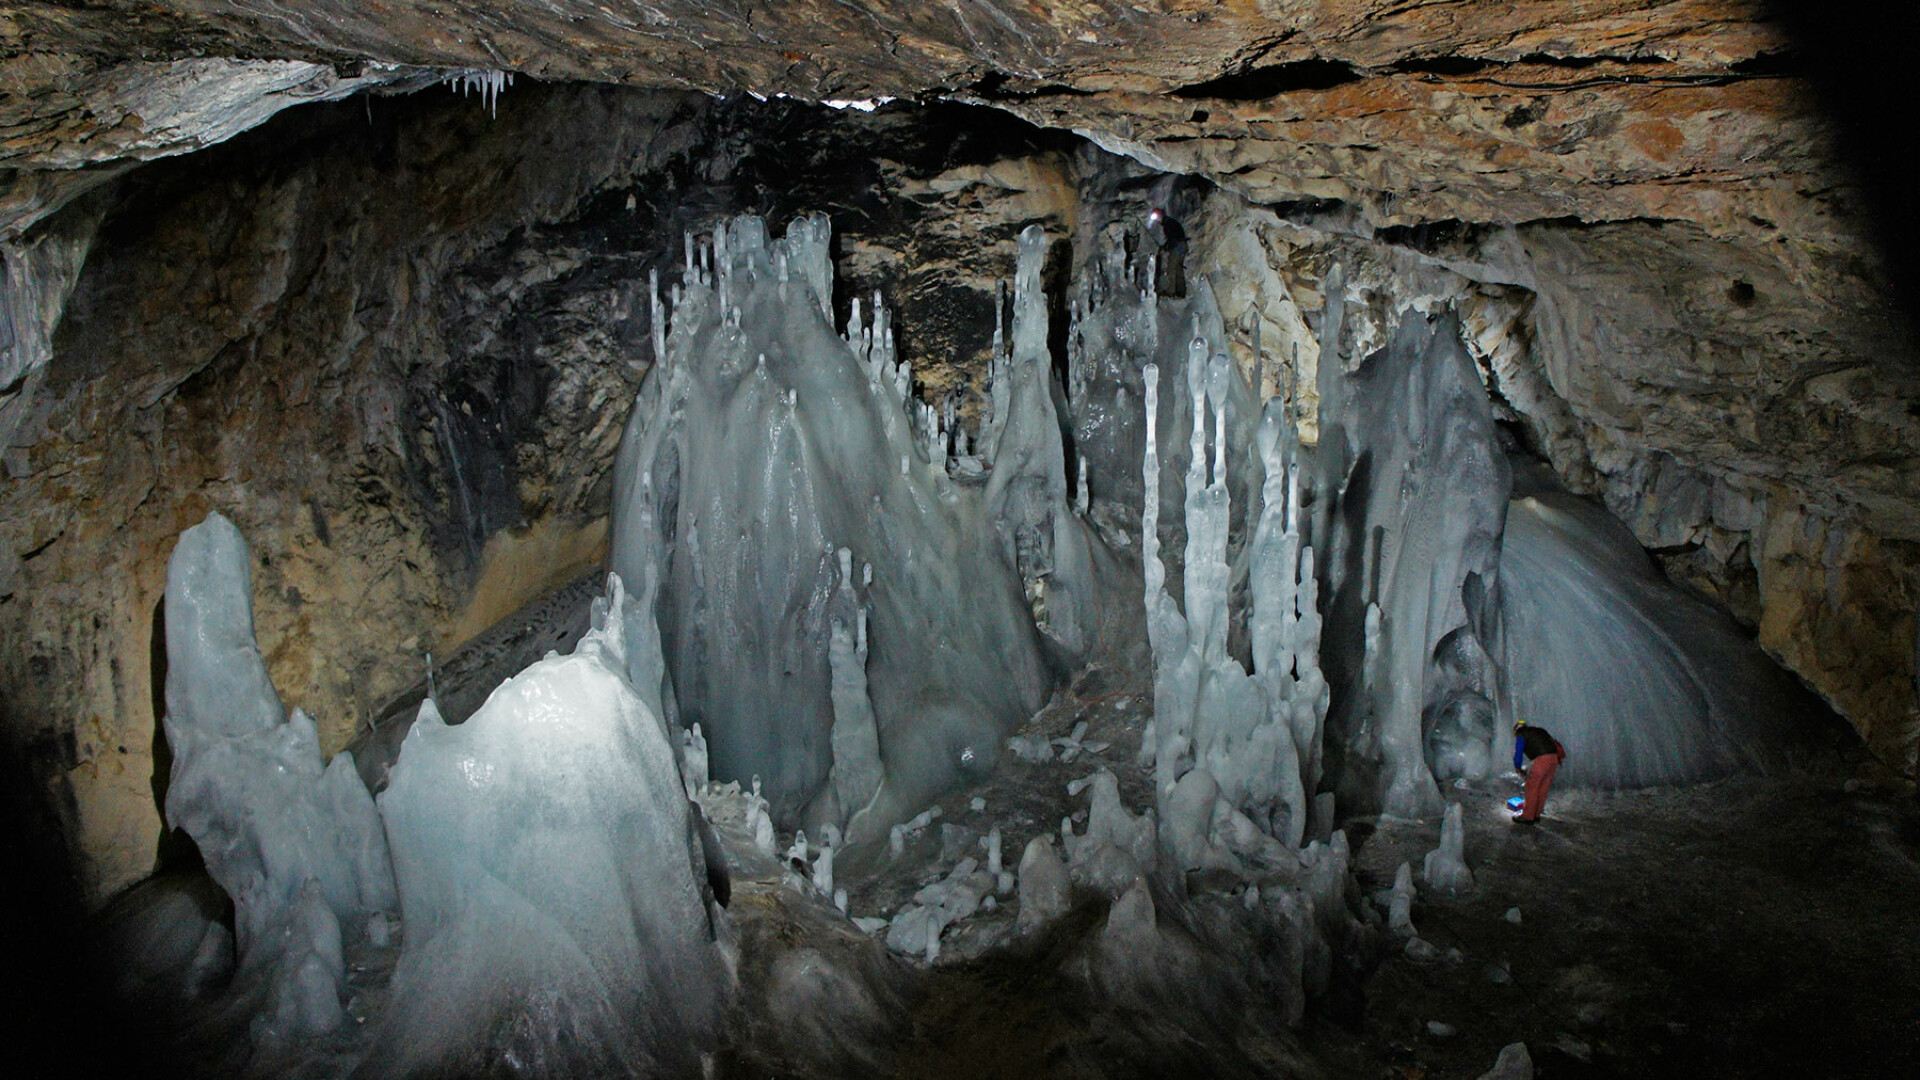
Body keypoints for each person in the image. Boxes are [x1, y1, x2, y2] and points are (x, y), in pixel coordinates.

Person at [1511, 721, 1566, 824]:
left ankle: (1527, 817)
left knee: (1532, 786)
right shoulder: (1540, 730)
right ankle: (1536, 814)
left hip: (1542, 759)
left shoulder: (1521, 734)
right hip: (1554, 758)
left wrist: (1517, 767)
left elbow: (1518, 754)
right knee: (1543, 786)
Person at [1146, 206, 1187, 297]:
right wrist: (1166, 246)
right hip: (1182, 245)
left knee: (1171, 268)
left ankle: (1170, 292)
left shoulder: (1168, 224)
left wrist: (1166, 247)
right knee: (1178, 268)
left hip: (1177, 246)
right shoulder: (1170, 222)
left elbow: (1172, 238)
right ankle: (1181, 291)